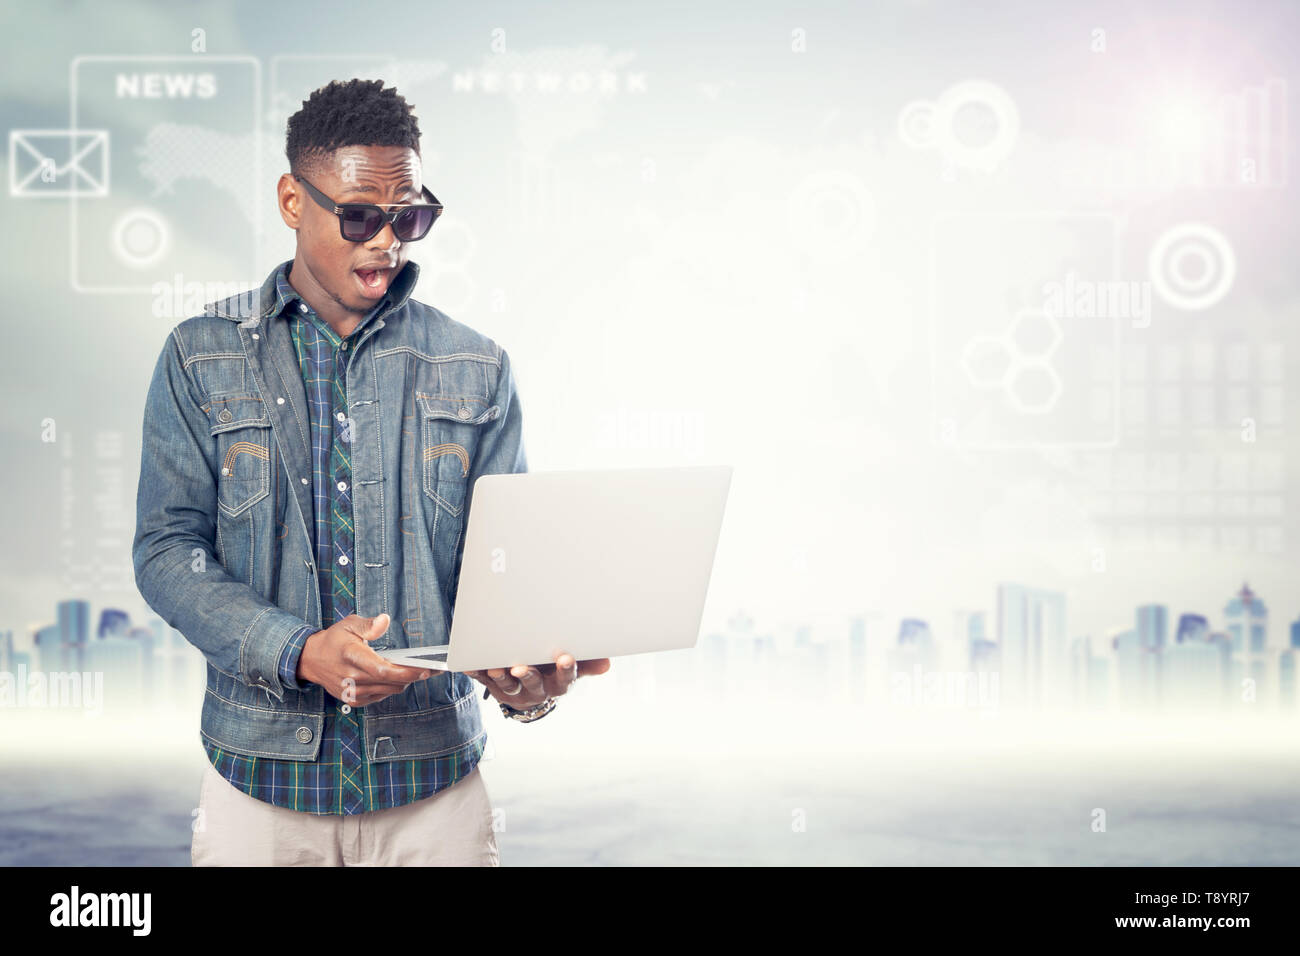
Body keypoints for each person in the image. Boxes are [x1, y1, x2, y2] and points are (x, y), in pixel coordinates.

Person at [131, 78, 609, 866]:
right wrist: (296, 649)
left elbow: (508, 573)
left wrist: (526, 686)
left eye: (409, 217)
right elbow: (165, 551)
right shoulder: (199, 355)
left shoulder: (478, 367)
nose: (387, 241)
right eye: (360, 216)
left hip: (437, 798)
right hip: (260, 793)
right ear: (293, 200)